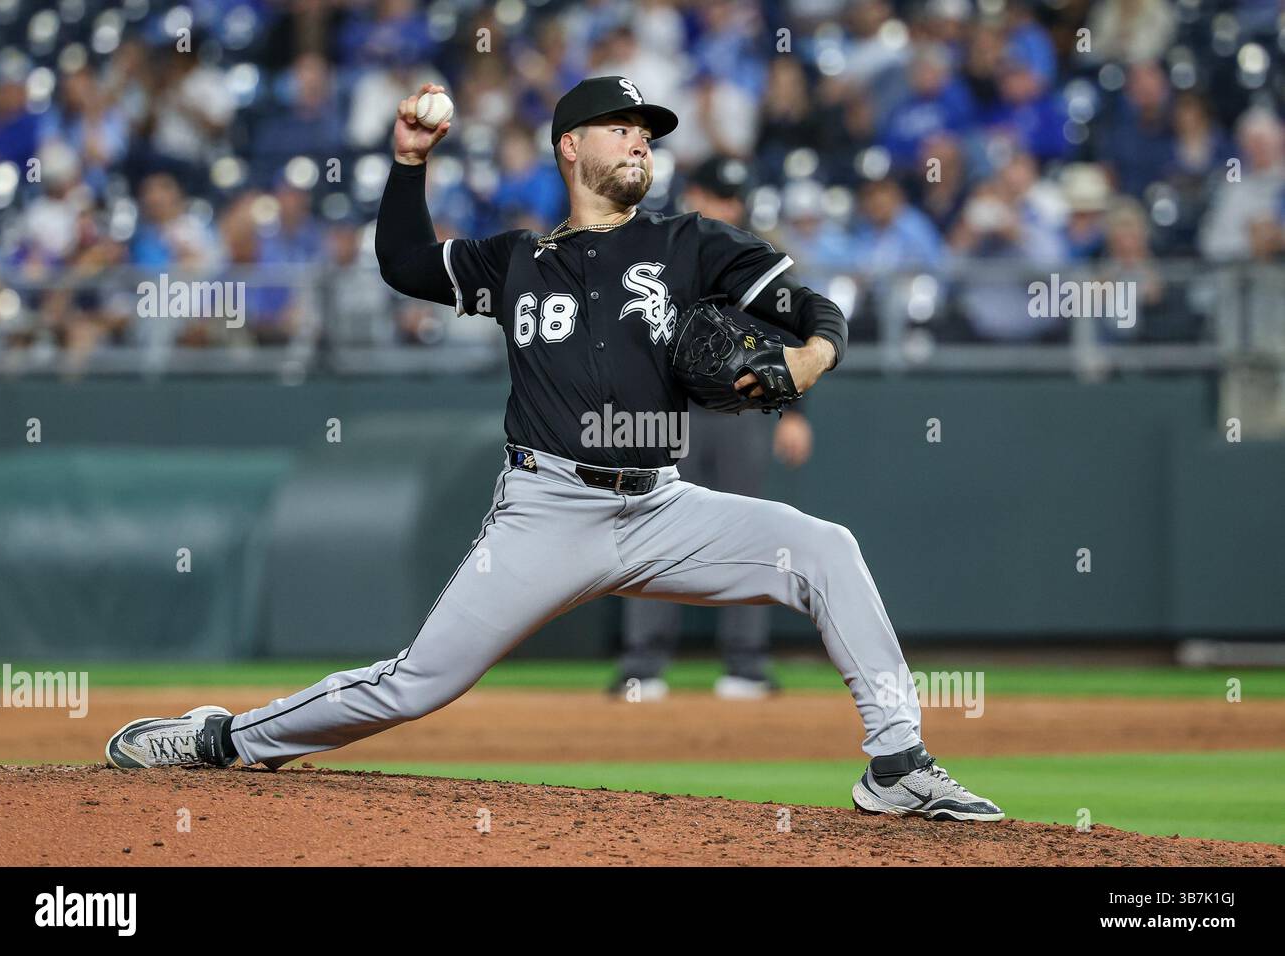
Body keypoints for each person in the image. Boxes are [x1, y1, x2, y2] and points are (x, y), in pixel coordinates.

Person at [105, 77, 1004, 822]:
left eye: (648, 134)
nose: (640, 144)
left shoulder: (687, 243)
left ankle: (896, 765)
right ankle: (224, 738)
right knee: (415, 685)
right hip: (546, 509)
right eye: (621, 129)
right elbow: (406, 264)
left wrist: (812, 356)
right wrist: (409, 162)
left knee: (825, 548)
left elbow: (813, 307)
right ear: (570, 147)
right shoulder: (515, 259)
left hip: (659, 504)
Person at [613, 155, 816, 701]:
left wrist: (793, 414)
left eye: (733, 198)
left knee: (749, 535)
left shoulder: (754, 258)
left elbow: (792, 339)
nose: (726, 207)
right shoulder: (654, 249)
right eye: (716, 195)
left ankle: (746, 666)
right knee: (650, 533)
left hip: (739, 413)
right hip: (664, 413)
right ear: (692, 193)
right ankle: (642, 666)